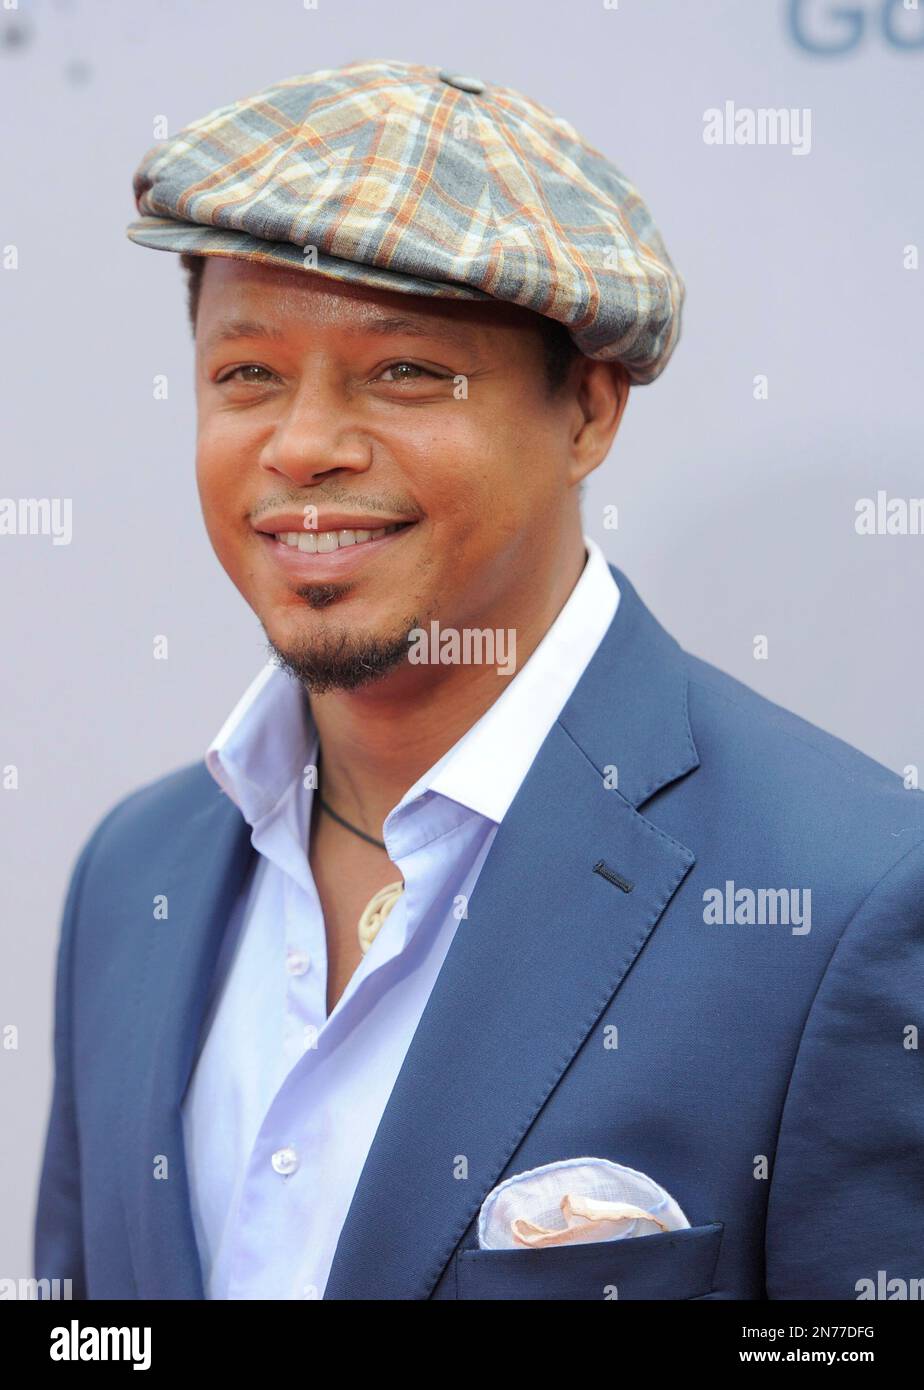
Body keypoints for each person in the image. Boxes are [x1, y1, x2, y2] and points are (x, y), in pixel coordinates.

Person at [34, 58, 924, 1301]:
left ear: (589, 413)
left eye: (405, 372)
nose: (301, 444)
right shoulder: (136, 874)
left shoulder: (848, 897)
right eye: (248, 374)